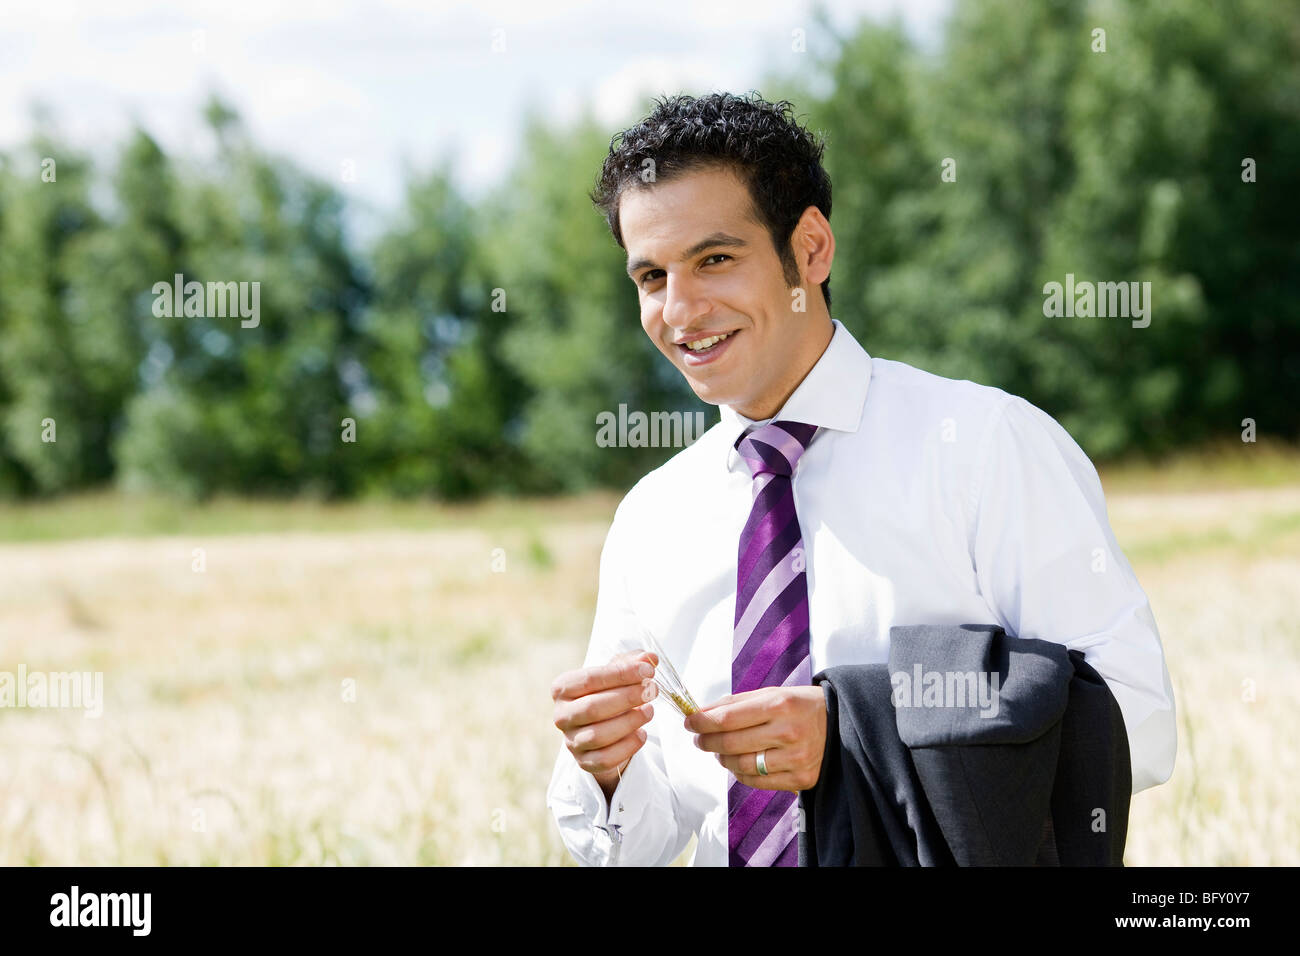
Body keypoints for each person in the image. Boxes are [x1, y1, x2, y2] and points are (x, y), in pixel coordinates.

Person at [546, 91, 1177, 867]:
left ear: (809, 250)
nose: (680, 310)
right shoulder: (652, 518)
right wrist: (607, 771)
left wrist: (852, 734)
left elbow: (1136, 719)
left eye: (715, 259)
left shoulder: (985, 446)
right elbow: (638, 845)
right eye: (650, 276)